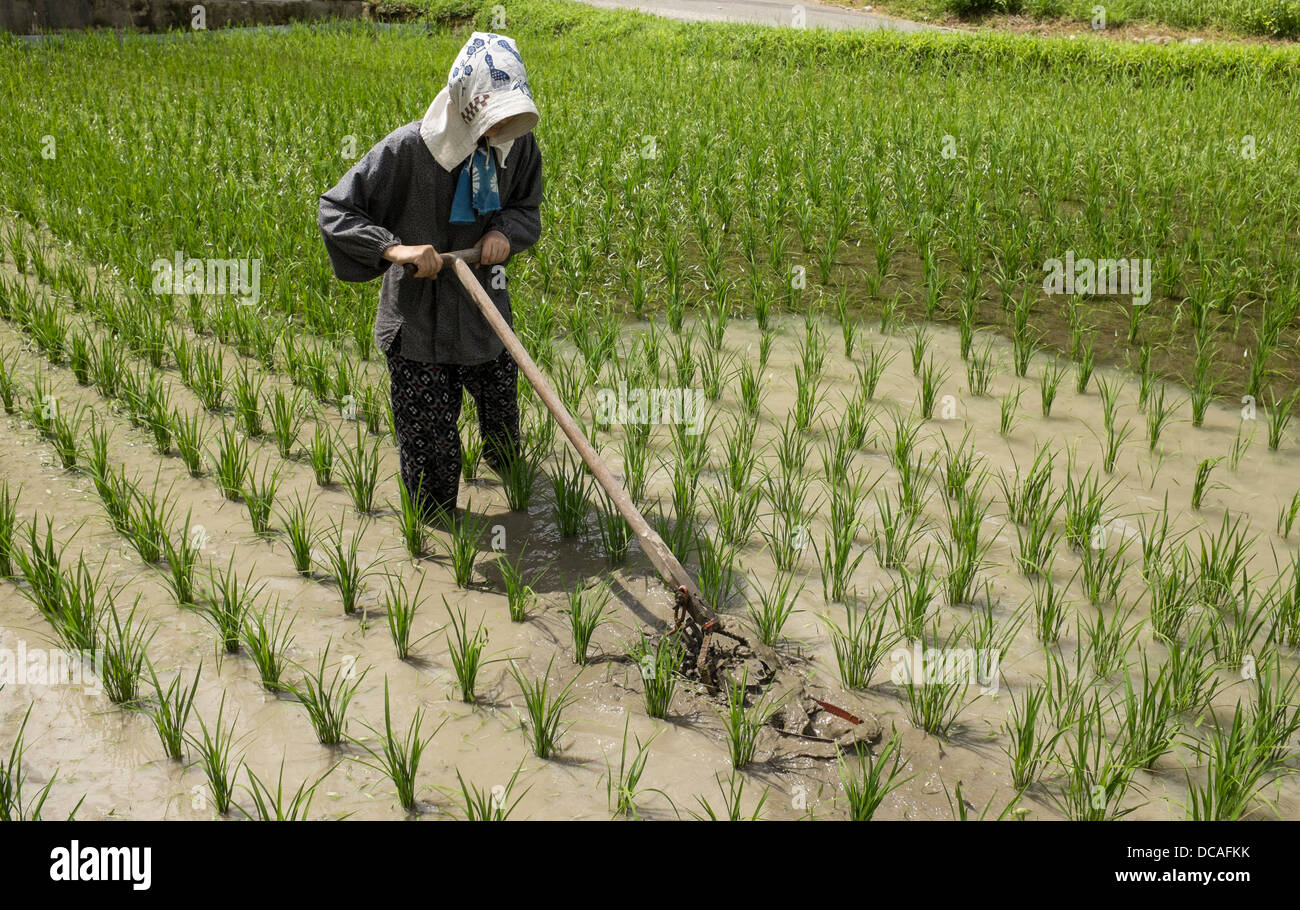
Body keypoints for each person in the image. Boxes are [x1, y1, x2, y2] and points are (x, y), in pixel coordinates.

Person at [318, 31, 543, 521]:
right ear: (465, 104)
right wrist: (395, 249)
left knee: (504, 435)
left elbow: (527, 207)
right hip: (419, 325)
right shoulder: (407, 150)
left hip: (486, 315)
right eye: (492, 116)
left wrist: (505, 231)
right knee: (432, 461)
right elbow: (336, 211)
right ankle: (441, 533)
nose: (501, 126)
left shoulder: (518, 147)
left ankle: (516, 503)